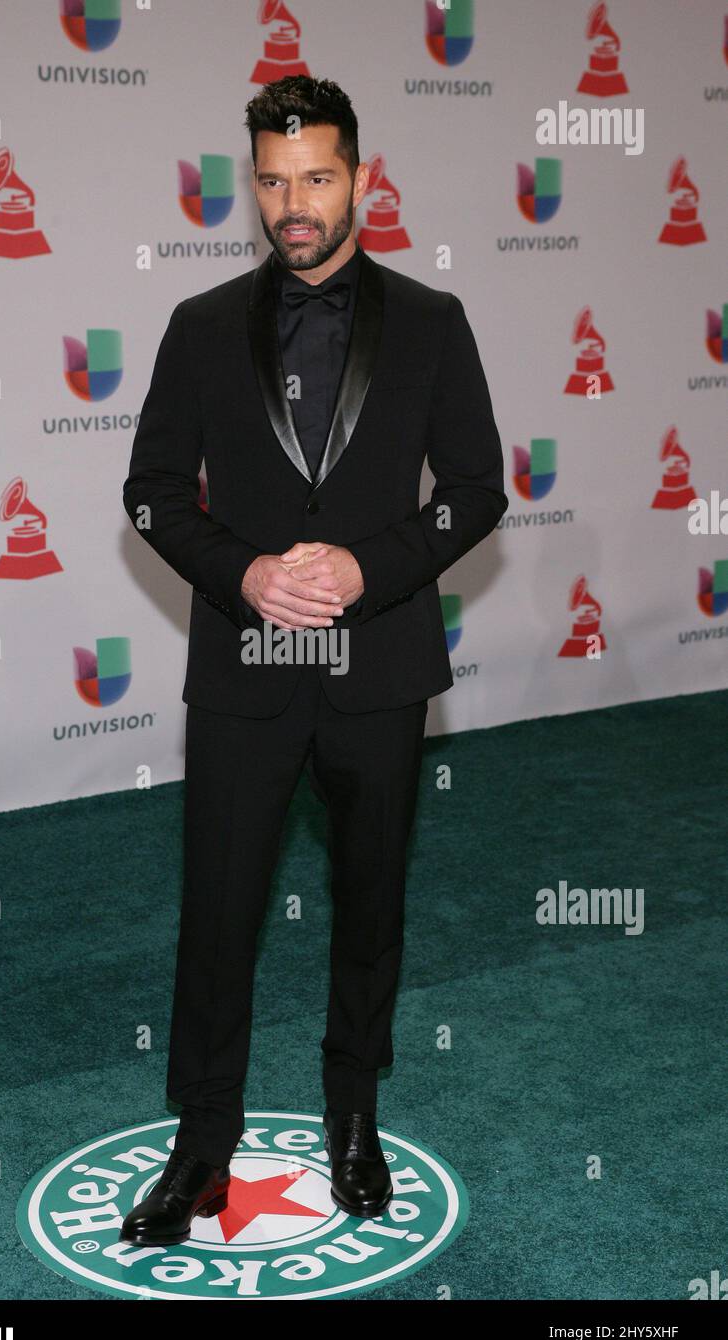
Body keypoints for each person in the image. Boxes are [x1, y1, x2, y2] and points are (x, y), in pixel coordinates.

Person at [120, 75, 507, 1246]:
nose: (295, 204)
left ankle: (353, 1116)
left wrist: (365, 568)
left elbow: (478, 492)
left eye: (318, 178)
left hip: (378, 669)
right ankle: (201, 1142)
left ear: (361, 178)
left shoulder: (433, 323)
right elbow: (146, 497)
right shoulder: (197, 329)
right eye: (275, 181)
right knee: (218, 909)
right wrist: (241, 574)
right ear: (254, 183)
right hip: (243, 670)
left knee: (369, 905)